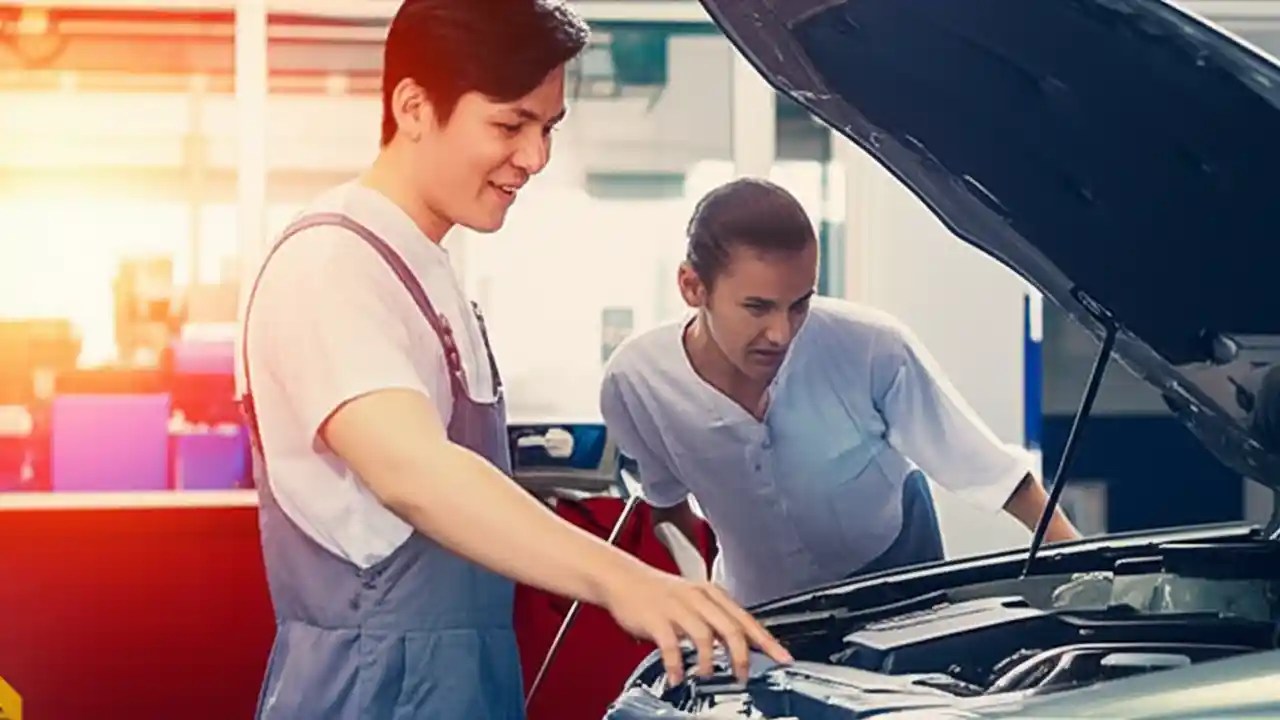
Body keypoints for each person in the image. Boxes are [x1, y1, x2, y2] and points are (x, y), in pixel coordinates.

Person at [235, 3, 790, 718]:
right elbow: (414, 472)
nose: (535, 157)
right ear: (413, 108)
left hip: (462, 684)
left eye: (548, 128)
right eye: (510, 125)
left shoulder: (426, 271)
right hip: (370, 691)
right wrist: (624, 580)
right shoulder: (330, 265)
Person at [599, 178, 1081, 608]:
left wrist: (1081, 565)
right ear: (692, 287)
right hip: (759, 603)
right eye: (757, 307)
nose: (781, 334)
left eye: (799, 304)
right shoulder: (635, 381)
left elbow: (988, 469)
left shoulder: (871, 346)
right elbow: (667, 506)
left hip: (896, 572)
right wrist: (697, 596)